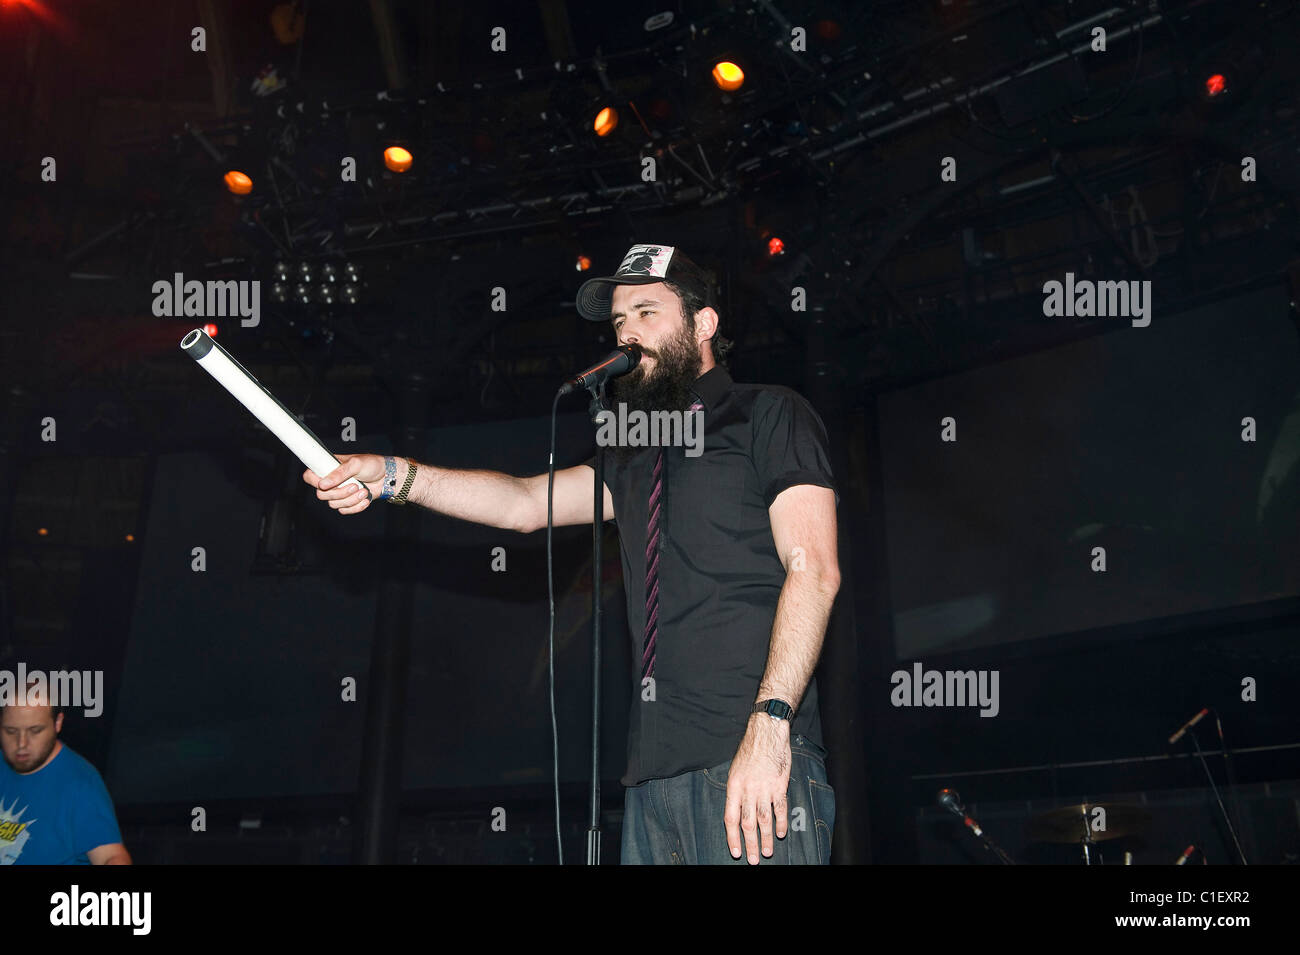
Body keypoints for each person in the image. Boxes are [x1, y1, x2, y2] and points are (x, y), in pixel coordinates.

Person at [305, 244, 840, 864]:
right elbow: (524, 504)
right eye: (618, 322)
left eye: (646, 312)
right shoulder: (636, 451)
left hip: (752, 755)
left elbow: (814, 568)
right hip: (652, 782)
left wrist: (772, 725)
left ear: (705, 324)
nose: (627, 332)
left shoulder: (769, 413)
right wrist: (396, 474)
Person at [0, 688, 131, 865]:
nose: (21, 743)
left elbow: (111, 857)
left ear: (58, 723)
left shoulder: (81, 783)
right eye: (11, 731)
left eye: (35, 730)